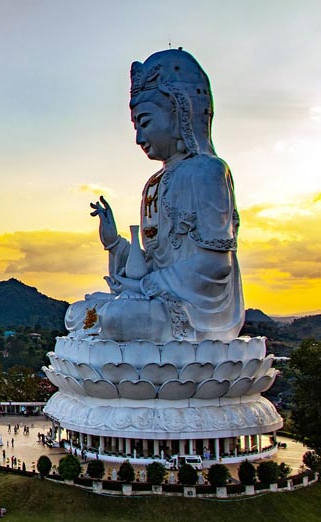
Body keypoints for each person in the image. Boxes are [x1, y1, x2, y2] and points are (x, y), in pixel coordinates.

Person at [65, 48, 243, 343]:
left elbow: (215, 266)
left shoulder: (208, 172)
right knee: (78, 312)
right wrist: (116, 244)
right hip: (155, 297)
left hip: (196, 312)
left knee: (123, 319)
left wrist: (146, 286)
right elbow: (151, 262)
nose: (138, 138)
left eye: (145, 123)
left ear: (179, 113)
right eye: (136, 126)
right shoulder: (153, 184)